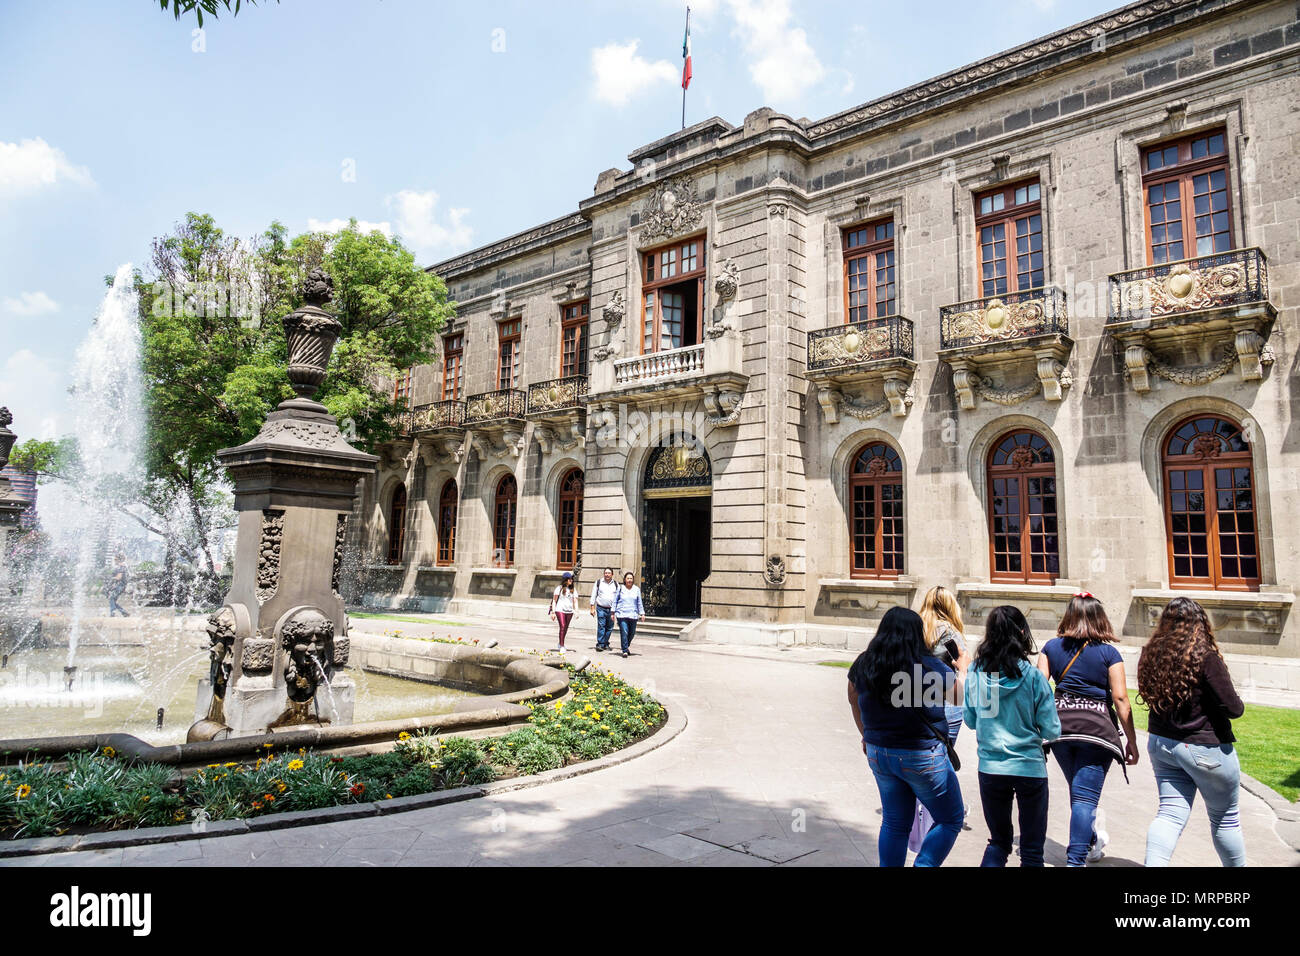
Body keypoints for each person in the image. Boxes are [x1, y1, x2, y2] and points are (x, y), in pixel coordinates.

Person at [847, 606, 967, 867]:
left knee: (894, 822)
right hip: (923, 755)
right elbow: (959, 697)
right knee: (950, 818)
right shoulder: (930, 666)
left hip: (880, 752)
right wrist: (963, 669)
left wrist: (866, 735)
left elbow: (853, 700)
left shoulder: (864, 664)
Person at [1138, 597, 1246, 867]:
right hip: (1204, 747)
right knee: (1225, 817)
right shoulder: (1206, 656)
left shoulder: (1151, 653)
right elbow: (1234, 708)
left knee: (1169, 815)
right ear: (1201, 623)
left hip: (1163, 745)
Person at [1037, 592, 1139, 867]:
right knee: (1084, 796)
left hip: (1059, 730)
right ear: (1099, 618)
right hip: (1097, 732)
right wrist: (1131, 741)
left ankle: (1091, 840)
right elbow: (1120, 700)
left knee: (1079, 792)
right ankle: (1075, 860)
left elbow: (1038, 689)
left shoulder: (1050, 648)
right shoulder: (1109, 653)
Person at [964, 605, 1061, 867]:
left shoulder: (976, 672)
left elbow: (971, 720)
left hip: (991, 767)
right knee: (1031, 851)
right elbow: (1052, 729)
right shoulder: (1032, 678)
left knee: (998, 842)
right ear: (1021, 633)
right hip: (1029, 766)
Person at [611, 571, 644, 659]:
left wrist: (642, 613)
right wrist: (613, 612)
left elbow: (639, 602)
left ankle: (626, 645)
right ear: (625, 580)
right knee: (624, 632)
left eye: (631, 578)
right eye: (628, 578)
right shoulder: (620, 588)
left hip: (633, 614)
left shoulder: (636, 589)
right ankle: (625, 650)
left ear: (633, 580)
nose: (629, 580)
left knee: (632, 633)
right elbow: (615, 600)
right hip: (622, 614)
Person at [589, 567, 618, 652]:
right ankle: (600, 644)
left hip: (612, 610)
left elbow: (618, 597)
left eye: (609, 573)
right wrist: (592, 608)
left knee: (610, 627)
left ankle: (605, 643)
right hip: (601, 608)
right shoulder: (599, 582)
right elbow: (593, 595)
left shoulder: (616, 584)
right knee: (602, 625)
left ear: (612, 574)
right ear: (604, 574)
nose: (607, 574)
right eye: (606, 573)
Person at [548, 571, 577, 652]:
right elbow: (554, 600)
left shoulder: (573, 589)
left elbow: (575, 601)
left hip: (569, 611)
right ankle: (561, 645)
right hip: (560, 610)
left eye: (572, 579)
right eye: (569, 579)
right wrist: (553, 612)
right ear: (565, 580)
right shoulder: (559, 588)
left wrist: (576, 611)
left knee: (566, 628)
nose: (571, 580)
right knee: (563, 626)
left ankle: (561, 642)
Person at [106, 552, 130, 618]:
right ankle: (124, 612)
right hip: (122, 586)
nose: (114, 561)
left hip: (120, 586)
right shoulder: (124, 566)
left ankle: (113, 612)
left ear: (119, 560)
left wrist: (110, 578)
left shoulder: (121, 567)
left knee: (111, 598)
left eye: (115, 559)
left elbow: (119, 577)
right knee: (112, 600)